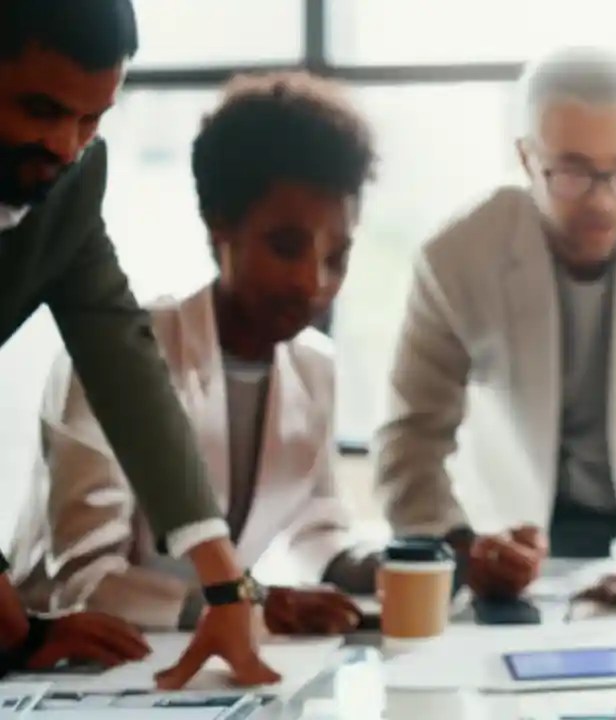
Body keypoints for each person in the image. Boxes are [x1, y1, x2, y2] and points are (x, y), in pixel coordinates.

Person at [374, 45, 616, 600]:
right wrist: (459, 546)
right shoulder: (455, 258)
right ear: (527, 158)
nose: (602, 201)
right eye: (573, 172)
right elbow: (411, 436)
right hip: (515, 524)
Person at [8, 71, 378, 637]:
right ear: (218, 226)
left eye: (339, 256)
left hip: (213, 663)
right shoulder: (120, 352)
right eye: (286, 246)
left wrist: (379, 567)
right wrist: (244, 603)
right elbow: (82, 577)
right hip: (65, 662)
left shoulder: (314, 365)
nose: (313, 282)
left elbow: (317, 524)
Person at [0, 0, 276, 687]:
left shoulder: (70, 182)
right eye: (40, 109)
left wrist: (225, 583)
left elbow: (125, 364)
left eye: (91, 119)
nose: (66, 145)